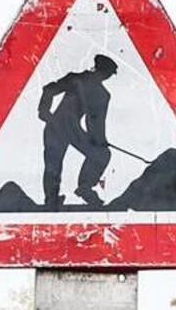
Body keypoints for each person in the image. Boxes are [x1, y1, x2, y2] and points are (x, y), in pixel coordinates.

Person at [37, 55, 117, 207]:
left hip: (65, 127)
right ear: (104, 72)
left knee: (101, 154)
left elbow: (95, 122)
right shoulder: (87, 85)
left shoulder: (97, 91)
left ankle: (80, 189)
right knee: (55, 163)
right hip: (60, 125)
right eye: (107, 73)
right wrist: (44, 111)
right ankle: (55, 199)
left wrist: (100, 140)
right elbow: (49, 89)